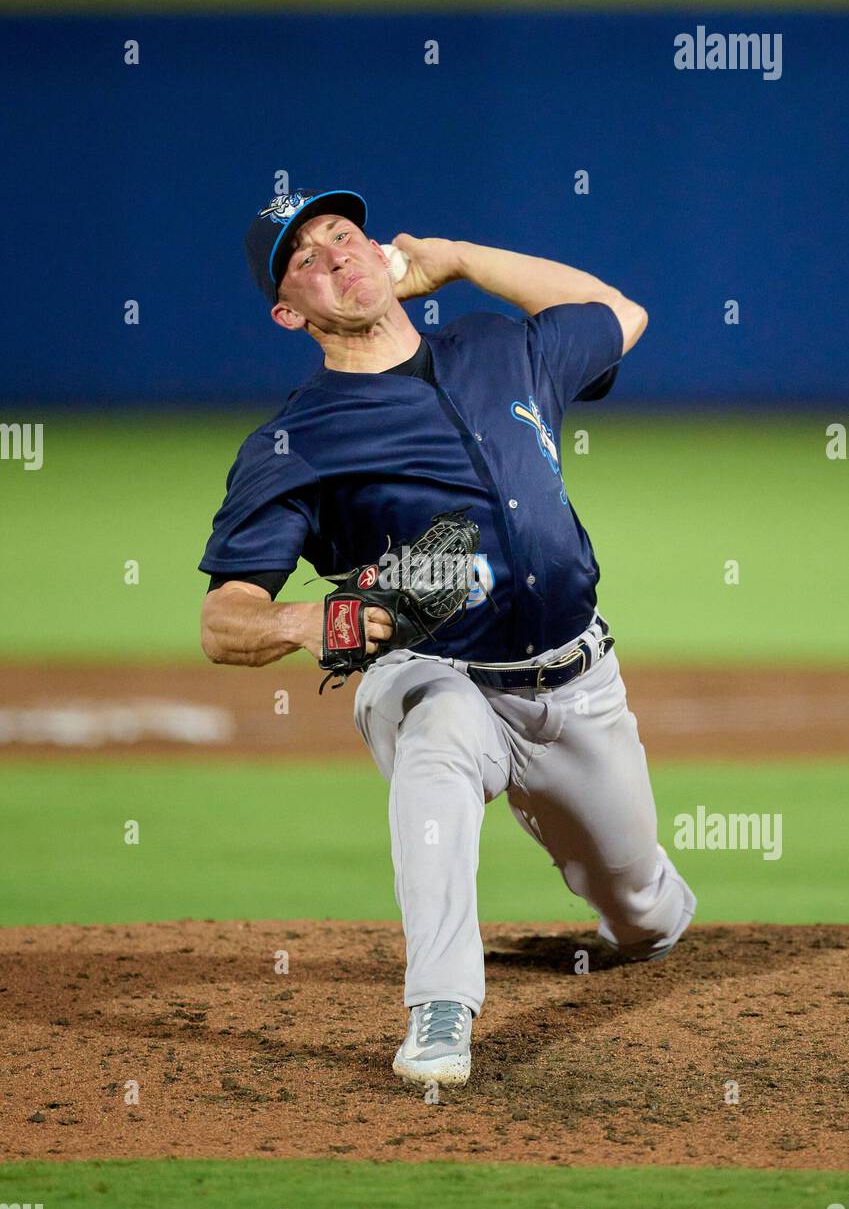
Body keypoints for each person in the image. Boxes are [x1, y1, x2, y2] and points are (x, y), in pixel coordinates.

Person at [199, 186, 696, 1088]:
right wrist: (311, 619)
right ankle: (439, 1006)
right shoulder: (295, 442)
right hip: (436, 670)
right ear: (288, 311)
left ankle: (640, 908)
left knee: (642, 914)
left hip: (576, 681)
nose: (333, 257)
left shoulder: (497, 347)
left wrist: (461, 257)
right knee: (434, 736)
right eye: (304, 259)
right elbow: (223, 620)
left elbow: (622, 314)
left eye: (341, 236)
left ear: (380, 251)